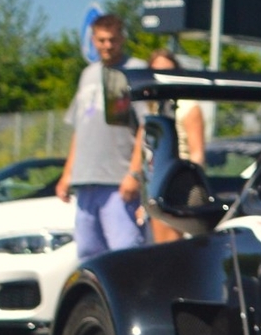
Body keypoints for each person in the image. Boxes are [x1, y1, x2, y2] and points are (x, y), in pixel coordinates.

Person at [57, 13, 146, 259]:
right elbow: (80, 128)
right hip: (86, 179)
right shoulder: (88, 74)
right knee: (88, 252)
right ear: (93, 40)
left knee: (124, 251)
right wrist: (67, 174)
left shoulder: (135, 71)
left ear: (122, 39)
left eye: (112, 40)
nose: (107, 46)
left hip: (117, 181)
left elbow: (146, 126)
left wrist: (134, 174)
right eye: (101, 40)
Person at [141, 48, 208, 243]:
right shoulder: (154, 107)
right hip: (155, 187)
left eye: (168, 71)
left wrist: (188, 196)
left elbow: (197, 156)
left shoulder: (188, 106)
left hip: (178, 190)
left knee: (171, 248)